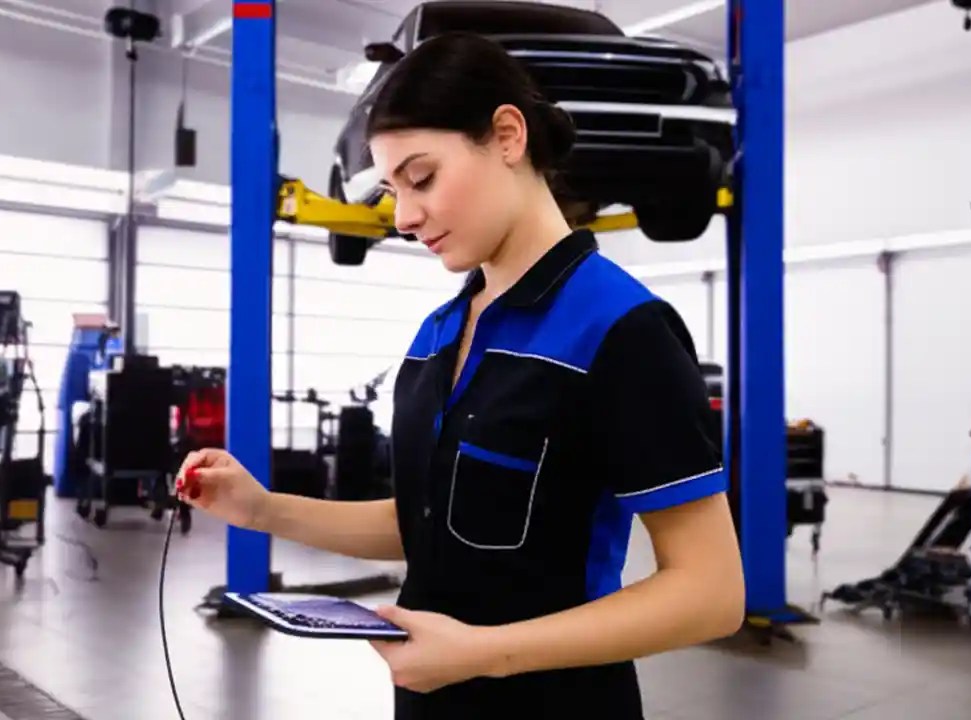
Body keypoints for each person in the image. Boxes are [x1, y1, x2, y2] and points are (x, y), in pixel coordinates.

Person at [176, 32, 744, 720]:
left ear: (507, 136)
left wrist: (483, 653)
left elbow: (711, 592)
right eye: (392, 191)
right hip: (430, 700)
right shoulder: (437, 337)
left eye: (422, 179)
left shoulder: (622, 330)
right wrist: (261, 510)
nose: (405, 217)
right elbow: (429, 521)